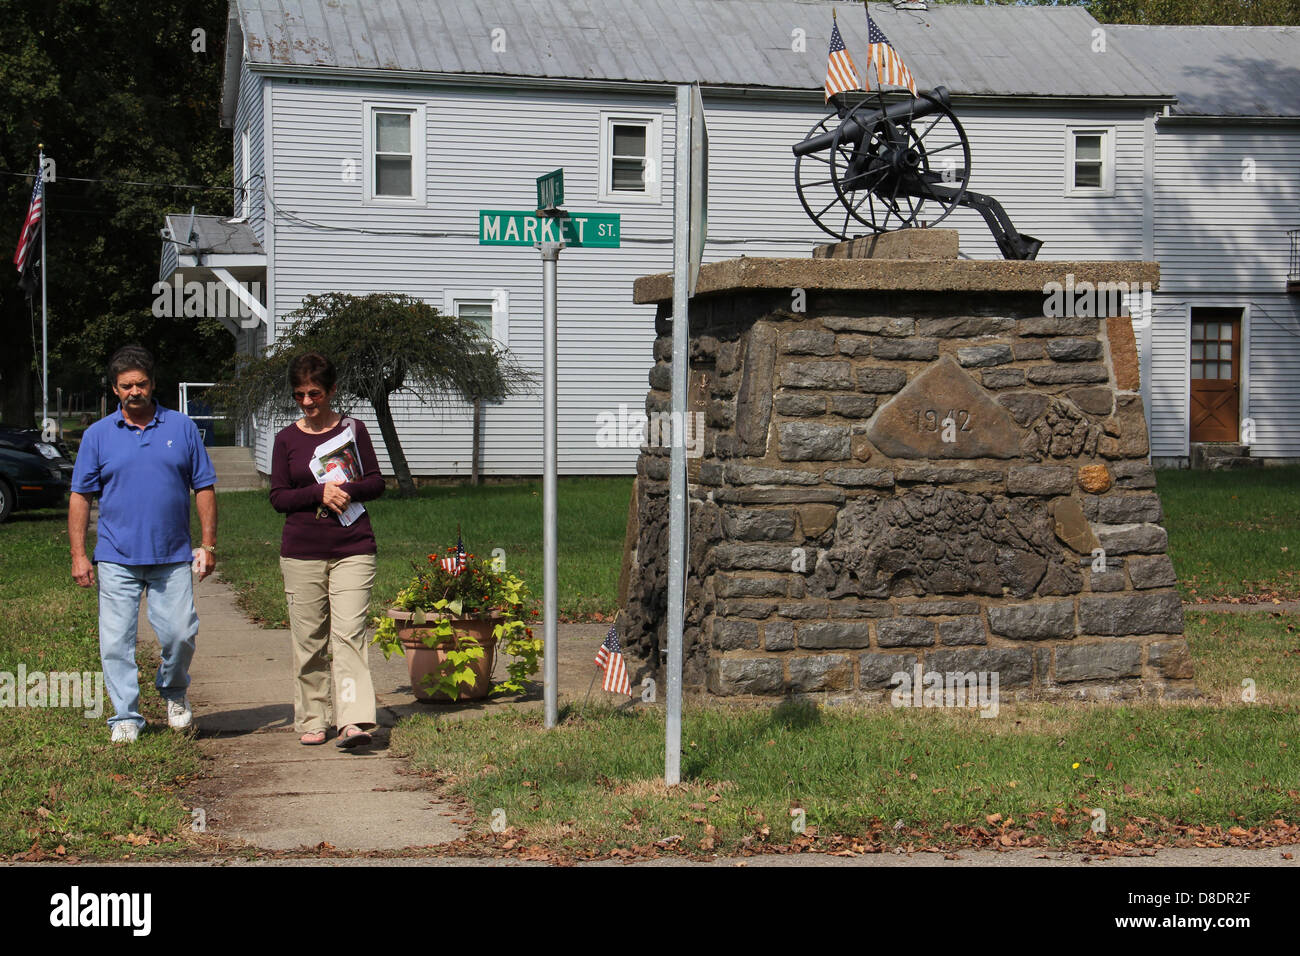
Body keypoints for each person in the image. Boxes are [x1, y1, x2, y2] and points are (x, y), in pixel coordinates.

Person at [69, 344, 217, 744]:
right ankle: (125, 716)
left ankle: (174, 692)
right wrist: (80, 554)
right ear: (115, 390)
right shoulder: (98, 435)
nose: (135, 391)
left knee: (180, 634)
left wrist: (208, 544)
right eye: (125, 386)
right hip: (116, 556)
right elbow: (81, 496)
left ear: (153, 383)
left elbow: (203, 486)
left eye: (141, 384)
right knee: (115, 640)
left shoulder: (181, 427)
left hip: (172, 554)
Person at [270, 352, 385, 748]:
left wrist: (343, 490)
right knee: (309, 641)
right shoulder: (286, 439)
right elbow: (278, 497)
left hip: (353, 546)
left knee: (350, 633)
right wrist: (317, 492)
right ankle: (314, 718)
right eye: (299, 394)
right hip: (301, 551)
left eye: (314, 393)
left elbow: (376, 483)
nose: (306, 401)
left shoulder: (355, 430)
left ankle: (352, 720)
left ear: (332, 390)